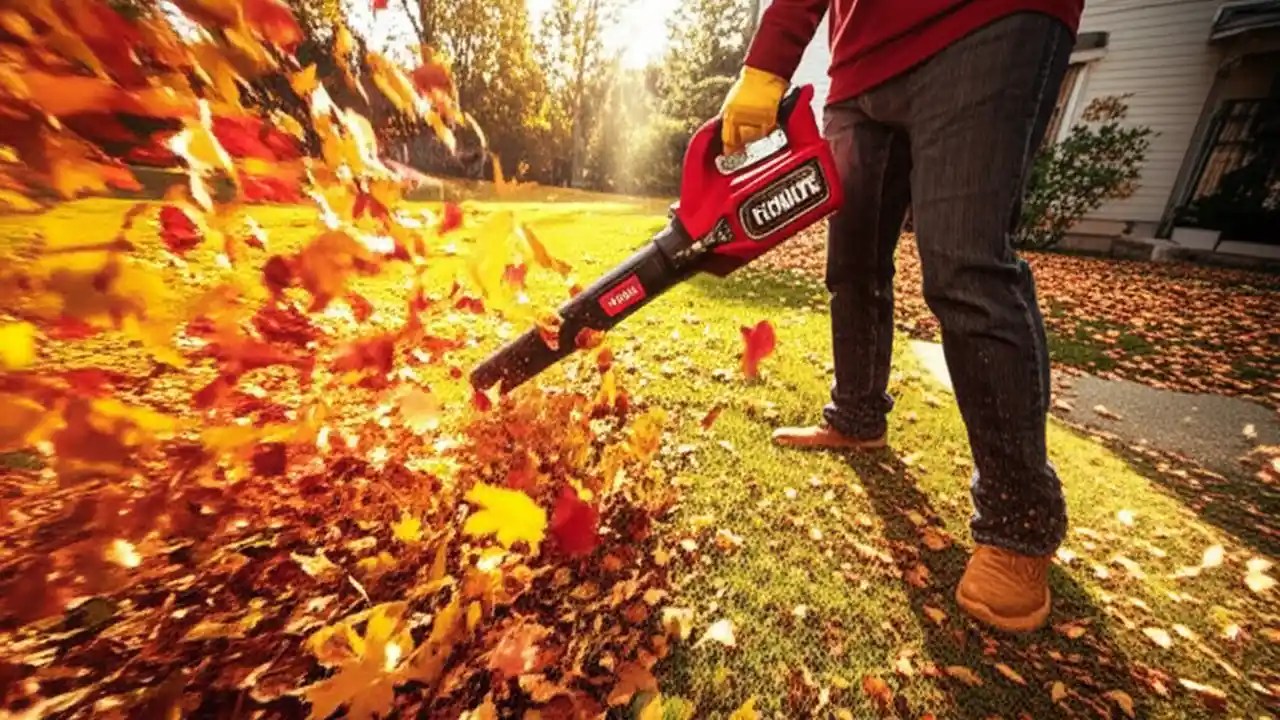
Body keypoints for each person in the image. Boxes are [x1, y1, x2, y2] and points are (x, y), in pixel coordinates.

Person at [719, 0, 1084, 633]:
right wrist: (765, 64)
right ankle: (857, 415)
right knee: (853, 260)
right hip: (860, 65)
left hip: (987, 21)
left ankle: (1020, 523)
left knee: (964, 263)